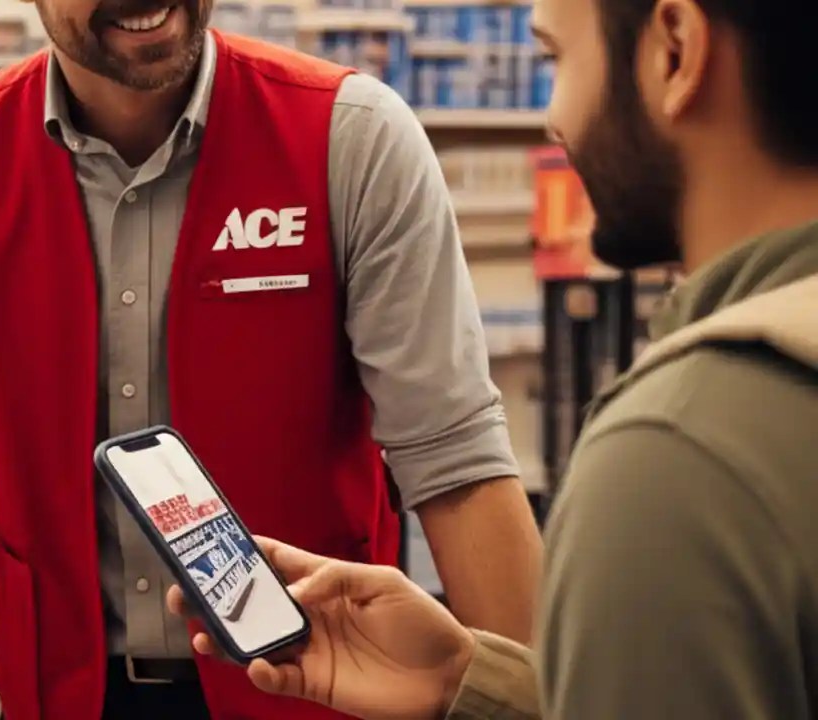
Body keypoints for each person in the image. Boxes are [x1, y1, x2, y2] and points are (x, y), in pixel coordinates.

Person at [0, 0, 546, 716]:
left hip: (317, 687)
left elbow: (455, 462)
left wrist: (539, 704)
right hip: (65, 691)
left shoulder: (350, 136)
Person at [169, 0, 818, 716]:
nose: (555, 119)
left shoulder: (678, 458)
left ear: (674, 50)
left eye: (555, 60)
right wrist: (466, 680)